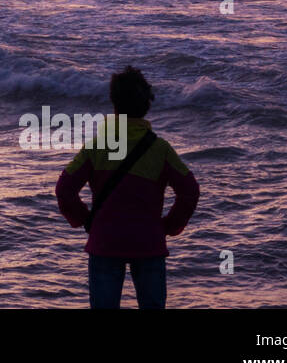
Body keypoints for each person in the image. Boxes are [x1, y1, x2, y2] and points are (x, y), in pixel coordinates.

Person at [55, 66, 199, 308]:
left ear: (114, 104)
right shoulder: (160, 150)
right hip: (149, 243)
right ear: (146, 105)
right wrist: (168, 226)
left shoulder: (98, 146)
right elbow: (190, 191)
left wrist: (86, 220)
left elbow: (64, 189)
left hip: (105, 242)